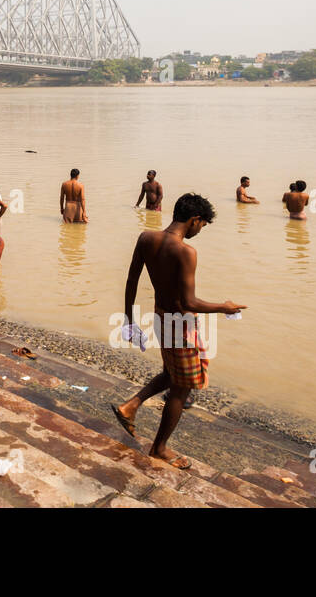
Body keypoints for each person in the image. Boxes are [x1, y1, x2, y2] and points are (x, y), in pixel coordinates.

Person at [111, 193, 244, 469]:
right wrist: (225, 307)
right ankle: (159, 448)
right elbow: (188, 302)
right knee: (181, 389)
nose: (200, 231)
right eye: (203, 225)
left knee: (172, 374)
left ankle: (130, 406)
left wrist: (128, 318)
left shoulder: (146, 238)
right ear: (195, 220)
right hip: (180, 324)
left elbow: (131, 279)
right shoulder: (185, 252)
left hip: (161, 317)